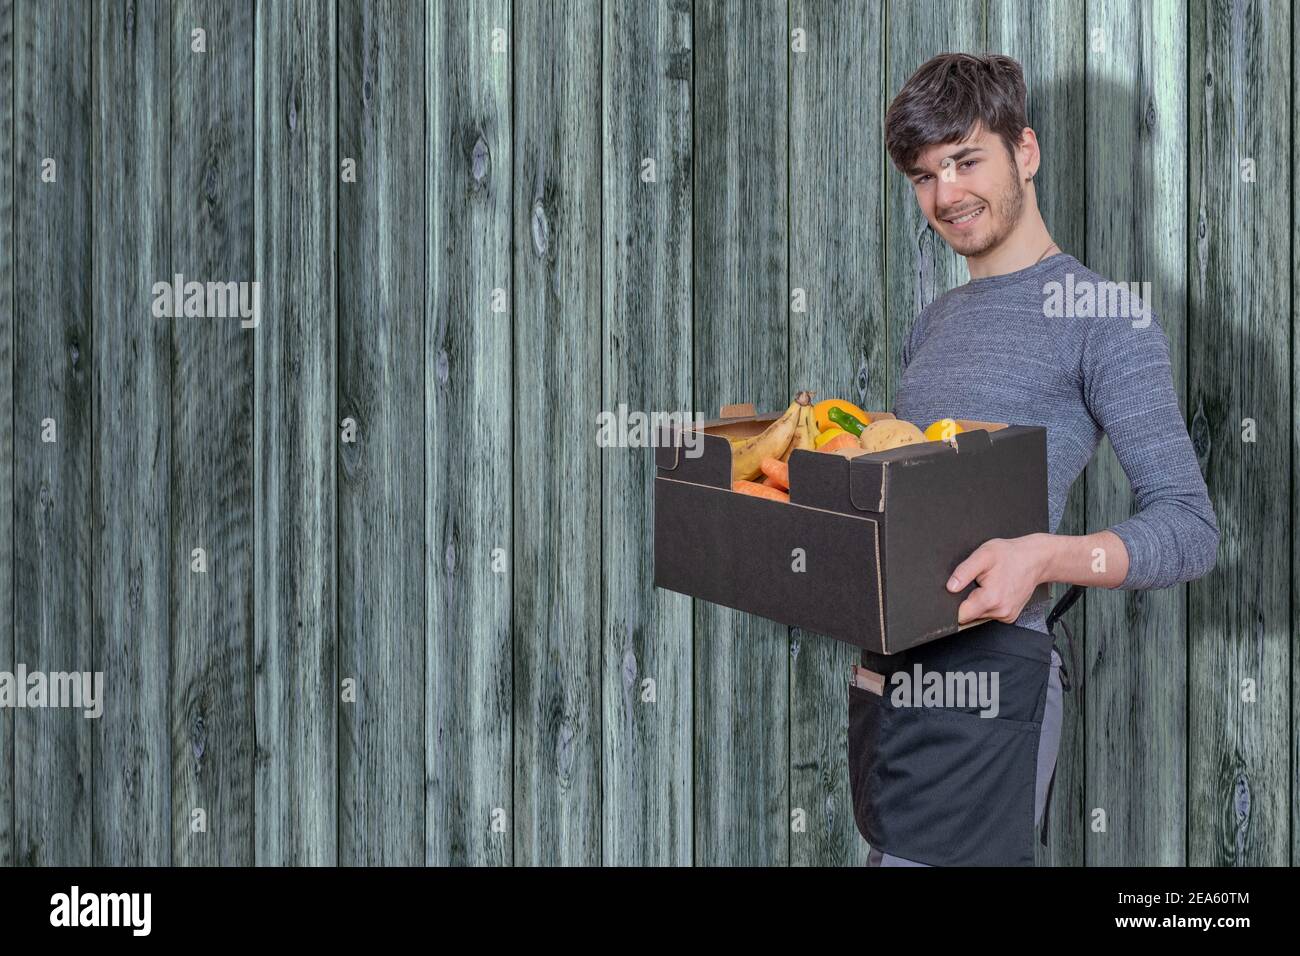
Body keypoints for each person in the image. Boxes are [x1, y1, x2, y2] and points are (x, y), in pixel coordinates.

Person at [851, 53, 1219, 867]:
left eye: (964, 160)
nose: (944, 195)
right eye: (922, 176)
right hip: (892, 672)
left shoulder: (1103, 320)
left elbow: (1191, 528)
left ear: (1027, 151)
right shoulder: (935, 321)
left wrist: (1045, 558)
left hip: (991, 674)